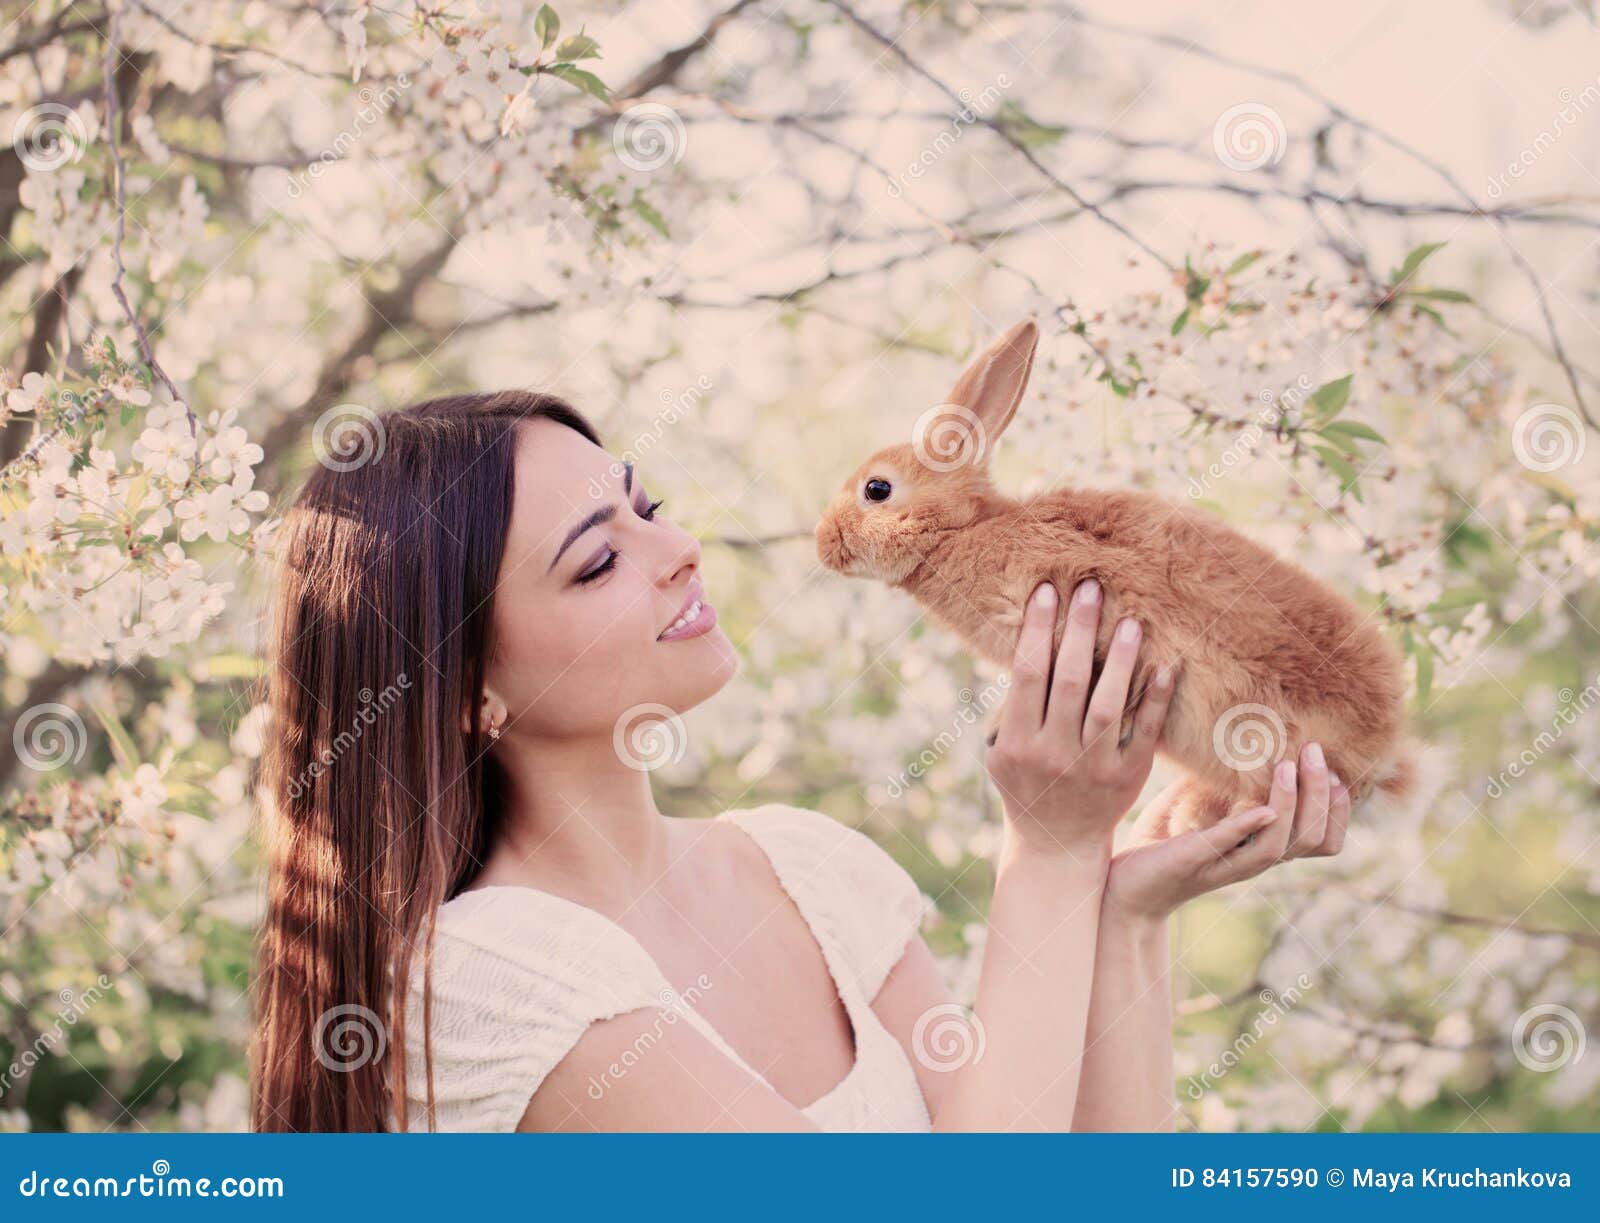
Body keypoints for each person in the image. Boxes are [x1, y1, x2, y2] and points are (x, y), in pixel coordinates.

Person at [249, 390, 1348, 1132]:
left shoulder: (806, 868)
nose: (678, 551)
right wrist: (1049, 846)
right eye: (597, 561)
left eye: (647, 508)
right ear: (463, 695)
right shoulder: (491, 979)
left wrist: (1122, 909)